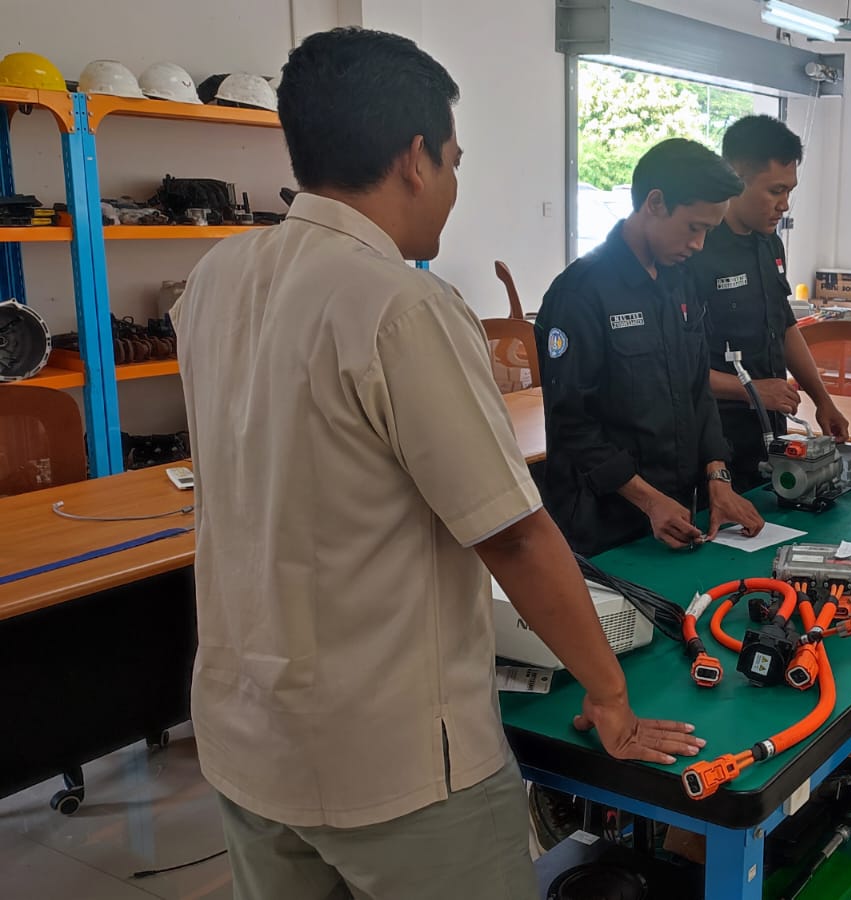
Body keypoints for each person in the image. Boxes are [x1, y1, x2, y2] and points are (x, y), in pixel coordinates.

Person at [172, 28, 702, 899]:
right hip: (392, 762)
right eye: (454, 162)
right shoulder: (404, 304)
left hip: (247, 736)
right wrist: (609, 693)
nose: (453, 185)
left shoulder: (216, 277)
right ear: (414, 160)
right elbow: (514, 535)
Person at [538, 138, 765, 556]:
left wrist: (717, 478)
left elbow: (697, 390)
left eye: (708, 231)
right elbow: (572, 423)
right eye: (694, 227)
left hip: (676, 517)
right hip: (603, 526)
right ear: (655, 203)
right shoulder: (580, 293)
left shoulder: (680, 281)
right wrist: (648, 501)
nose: (699, 244)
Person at [691, 114, 849, 491]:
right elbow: (677, 365)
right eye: (775, 191)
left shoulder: (770, 243)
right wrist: (752, 390)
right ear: (736, 177)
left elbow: (784, 324)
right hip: (713, 439)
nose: (784, 205)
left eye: (789, 191)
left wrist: (822, 400)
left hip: (769, 430)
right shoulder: (696, 247)